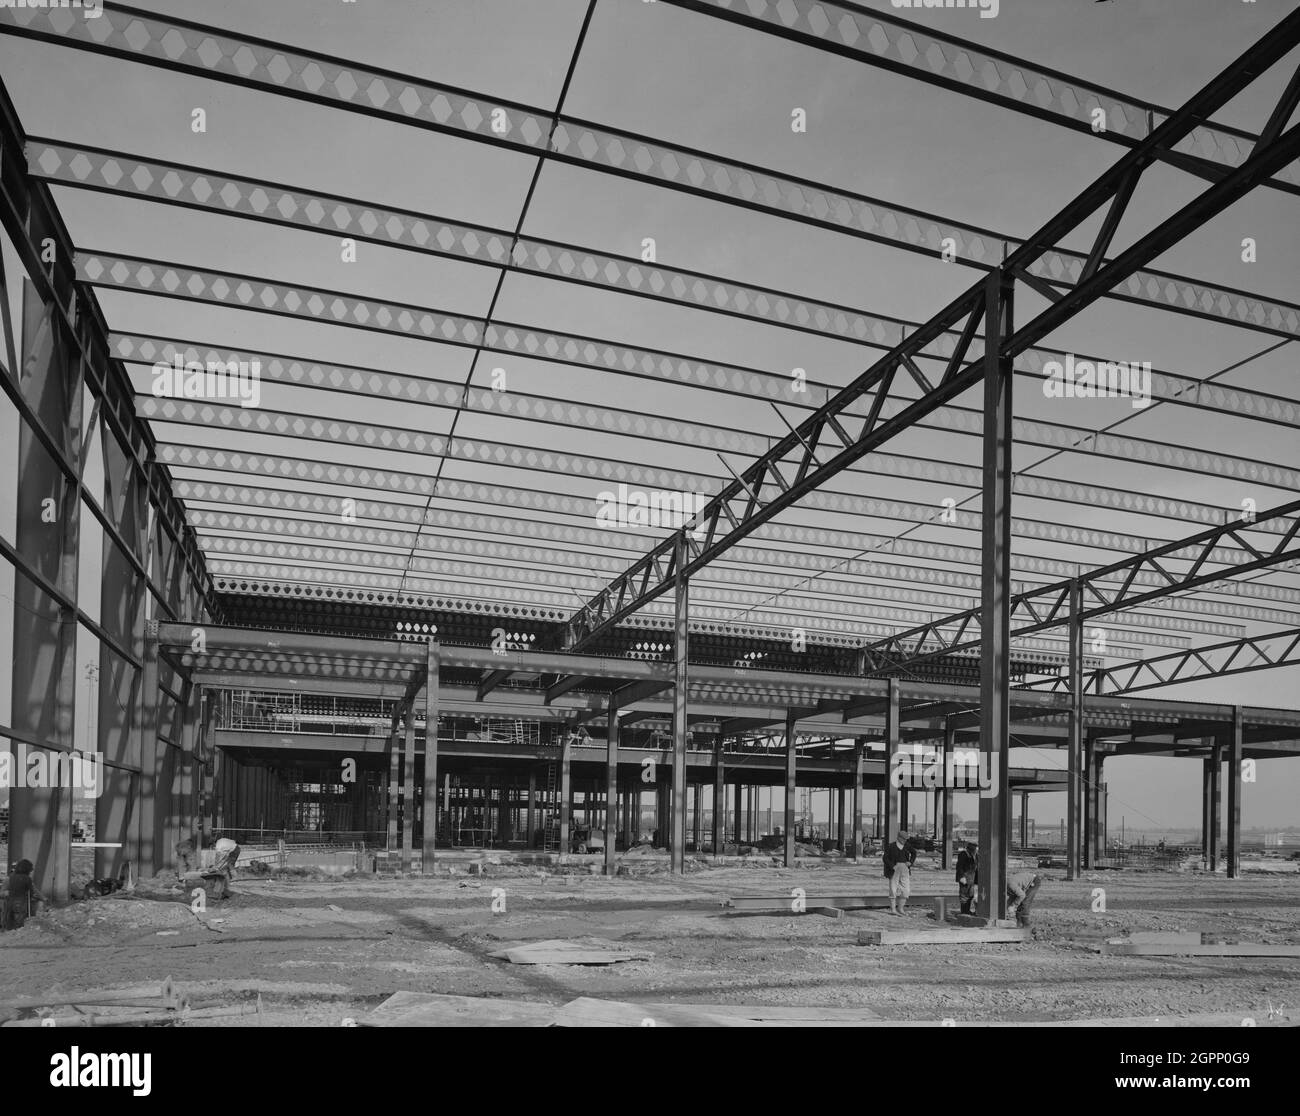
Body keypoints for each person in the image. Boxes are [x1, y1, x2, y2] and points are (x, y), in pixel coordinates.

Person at [1, 859, 45, 931]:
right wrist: (6, 893)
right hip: (12, 905)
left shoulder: (25, 879)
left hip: (18, 905)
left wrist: (43, 898)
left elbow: (34, 890)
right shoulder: (8, 880)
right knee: (13, 924)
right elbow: (1, 893)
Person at [882, 828, 916, 916]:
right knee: (893, 889)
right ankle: (893, 909)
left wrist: (910, 862)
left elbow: (914, 853)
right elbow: (885, 858)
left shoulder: (907, 846)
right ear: (899, 838)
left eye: (906, 839)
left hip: (905, 869)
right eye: (904, 839)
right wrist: (892, 866)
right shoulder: (891, 846)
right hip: (894, 870)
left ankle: (900, 908)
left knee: (906, 890)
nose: (905, 841)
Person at [955, 841, 978, 915]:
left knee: (970, 895)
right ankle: (964, 911)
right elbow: (959, 866)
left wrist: (976, 881)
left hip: (972, 877)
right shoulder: (963, 854)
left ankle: (967, 910)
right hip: (965, 877)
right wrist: (962, 877)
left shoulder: (976, 855)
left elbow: (977, 868)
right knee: (964, 895)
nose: (976, 850)